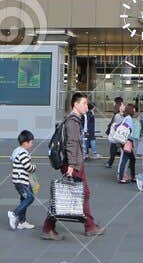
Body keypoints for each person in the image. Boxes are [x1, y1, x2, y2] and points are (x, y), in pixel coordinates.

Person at [42, 92, 104, 240]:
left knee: (79, 194)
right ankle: (50, 227)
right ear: (75, 104)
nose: (86, 106)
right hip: (73, 164)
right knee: (78, 194)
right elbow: (71, 144)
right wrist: (71, 165)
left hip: (75, 163)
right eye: (84, 103)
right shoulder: (72, 122)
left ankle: (88, 225)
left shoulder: (74, 120)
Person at [8, 129, 37, 230]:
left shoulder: (17, 151)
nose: (32, 144)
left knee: (24, 199)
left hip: (21, 180)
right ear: (25, 143)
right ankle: (14, 214)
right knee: (30, 198)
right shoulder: (23, 153)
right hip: (21, 181)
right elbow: (28, 167)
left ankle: (22, 221)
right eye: (31, 142)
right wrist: (34, 167)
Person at [114, 102, 138, 182]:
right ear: (131, 110)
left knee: (131, 159)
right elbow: (129, 130)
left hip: (124, 141)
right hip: (127, 141)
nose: (135, 110)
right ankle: (122, 177)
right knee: (125, 159)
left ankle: (131, 176)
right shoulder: (129, 119)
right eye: (134, 108)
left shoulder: (126, 118)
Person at [105, 97, 127, 167]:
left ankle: (110, 163)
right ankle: (127, 162)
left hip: (116, 133)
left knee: (113, 147)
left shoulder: (116, 109)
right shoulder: (122, 108)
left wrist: (109, 129)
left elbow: (113, 122)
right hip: (123, 133)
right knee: (125, 148)